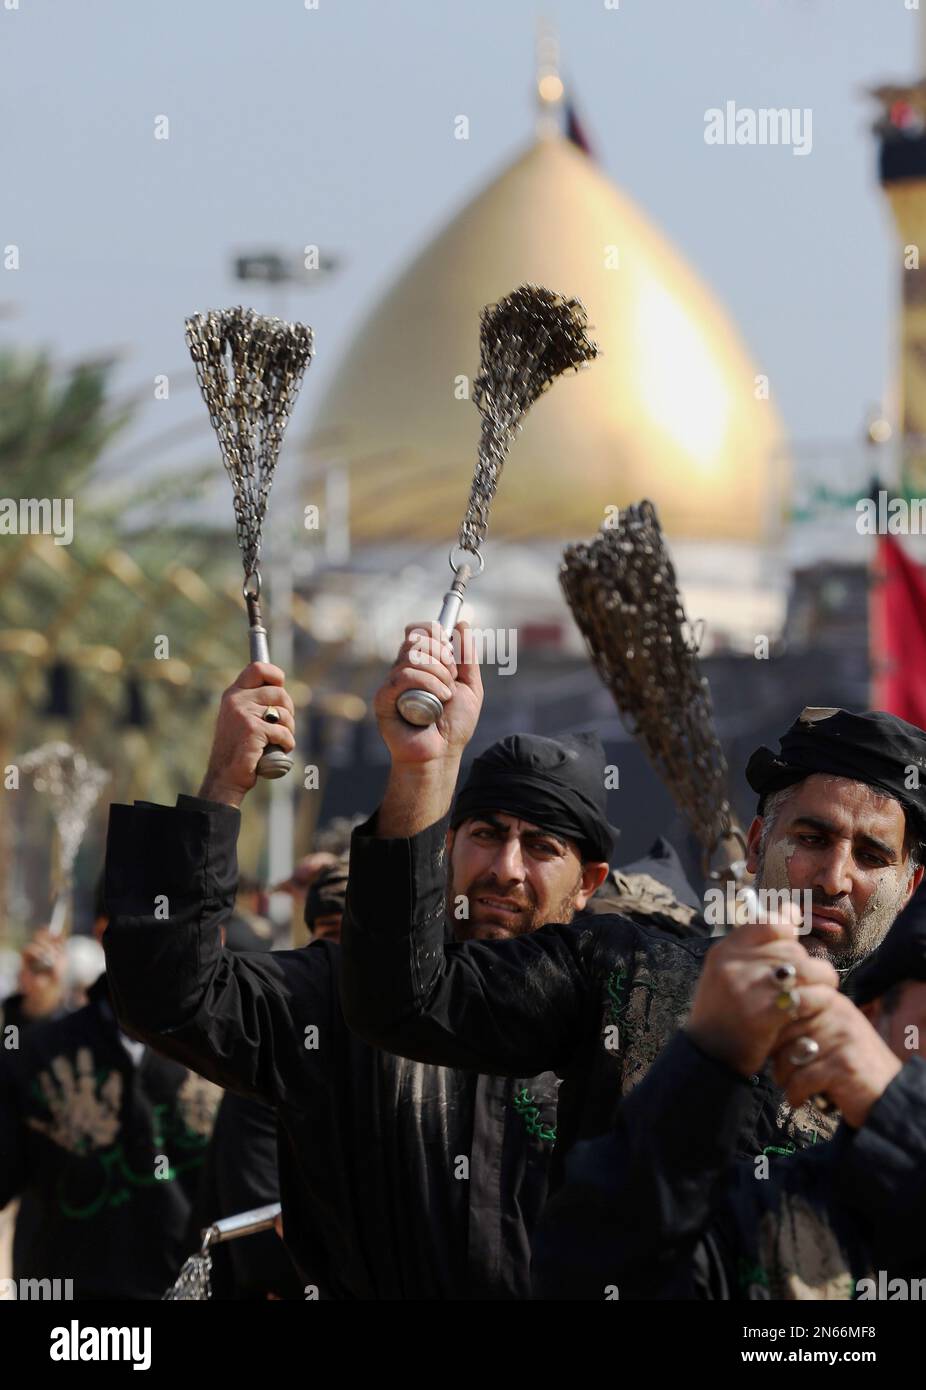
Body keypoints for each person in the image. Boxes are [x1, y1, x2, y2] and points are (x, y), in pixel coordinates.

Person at [102, 658, 693, 1299]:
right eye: (487, 835)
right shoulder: (342, 997)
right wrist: (222, 783)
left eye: (543, 848)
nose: (506, 869)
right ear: (444, 847)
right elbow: (168, 997)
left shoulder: (625, 1022)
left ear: (590, 884)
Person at [340, 628, 926, 1181]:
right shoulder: (624, 972)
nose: (833, 878)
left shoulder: (910, 1046)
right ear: (756, 845)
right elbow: (403, 1001)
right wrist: (425, 771)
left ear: (911, 885)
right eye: (812, 840)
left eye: (873, 856)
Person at [532, 886, 926, 1299]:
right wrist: (708, 1058)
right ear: (873, 1022)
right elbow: (587, 1273)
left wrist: (900, 1114)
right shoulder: (767, 1218)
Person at [0, 969, 222, 1298]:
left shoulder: (229, 1045)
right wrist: (28, 1019)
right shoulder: (42, 1048)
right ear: (104, 931)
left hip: (187, 1286)